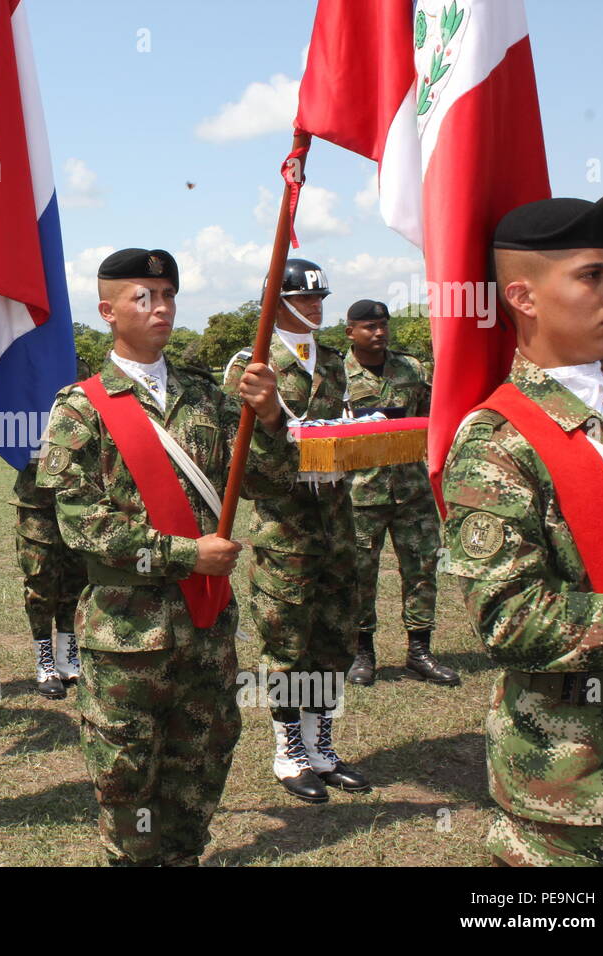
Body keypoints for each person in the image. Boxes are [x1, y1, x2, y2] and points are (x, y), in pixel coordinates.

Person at [39, 248, 295, 865]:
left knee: (202, 760)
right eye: (142, 297)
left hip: (205, 625)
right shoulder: (79, 407)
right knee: (127, 773)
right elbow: (82, 527)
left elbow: (268, 480)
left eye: (167, 295)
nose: (160, 307)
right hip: (128, 631)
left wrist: (267, 419)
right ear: (108, 311)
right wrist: (185, 553)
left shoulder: (207, 397)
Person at [442, 192, 603, 867]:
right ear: (525, 298)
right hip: (582, 787)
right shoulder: (498, 441)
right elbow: (510, 617)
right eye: (593, 275)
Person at [224, 259, 370, 804]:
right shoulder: (252, 365)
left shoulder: (332, 364)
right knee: (287, 639)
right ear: (276, 303)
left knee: (333, 637)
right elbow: (247, 451)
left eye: (319, 298)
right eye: (302, 299)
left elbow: (340, 430)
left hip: (337, 519)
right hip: (285, 524)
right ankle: (289, 751)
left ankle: (322, 746)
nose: (315, 307)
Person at [343, 299, 458, 686]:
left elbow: (433, 420)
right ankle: (362, 653)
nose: (379, 333)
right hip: (360, 494)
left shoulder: (412, 368)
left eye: (383, 325)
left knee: (422, 570)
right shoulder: (336, 375)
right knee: (360, 576)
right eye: (369, 327)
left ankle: (419, 651)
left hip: (412, 491)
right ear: (350, 333)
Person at [14, 449, 87, 699]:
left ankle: (67, 659)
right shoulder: (31, 411)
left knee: (76, 578)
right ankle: (44, 662)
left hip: (81, 498)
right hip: (37, 498)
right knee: (40, 582)